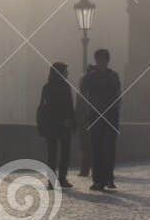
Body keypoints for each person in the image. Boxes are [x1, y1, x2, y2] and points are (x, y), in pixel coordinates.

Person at [78, 48, 121, 191]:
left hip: (109, 116)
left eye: (102, 60)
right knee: (97, 149)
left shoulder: (111, 76)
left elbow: (117, 94)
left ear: (107, 61)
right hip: (97, 116)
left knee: (108, 149)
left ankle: (107, 178)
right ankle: (99, 180)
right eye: (99, 60)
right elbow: (82, 89)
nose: (100, 62)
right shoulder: (93, 76)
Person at [36, 63, 76, 188]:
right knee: (64, 153)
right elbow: (69, 106)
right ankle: (62, 178)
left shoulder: (47, 87)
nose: (67, 74)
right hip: (64, 124)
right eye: (65, 71)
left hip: (50, 124)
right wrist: (72, 122)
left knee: (51, 154)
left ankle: (51, 181)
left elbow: (41, 106)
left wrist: (40, 123)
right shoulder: (65, 87)